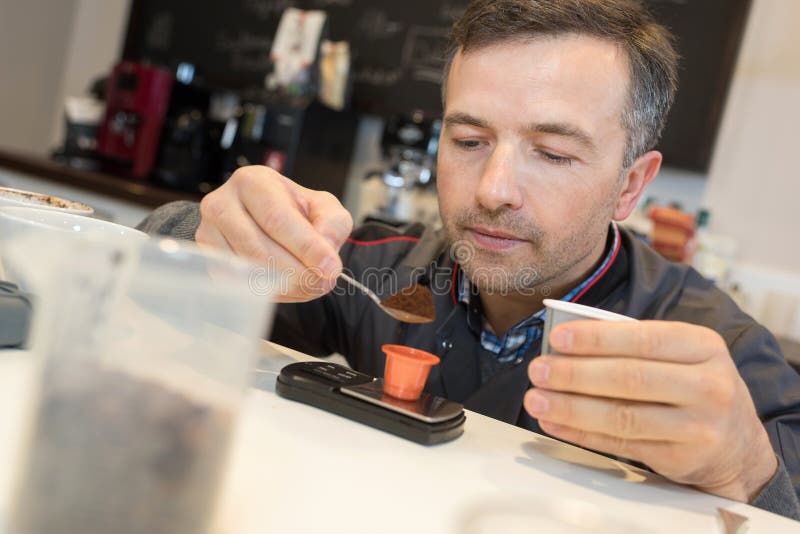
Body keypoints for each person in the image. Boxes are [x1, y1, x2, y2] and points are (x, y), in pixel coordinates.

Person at [139, 0, 800, 518]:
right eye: (469, 138)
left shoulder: (714, 346)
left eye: (554, 153)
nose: (493, 190)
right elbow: (144, 283)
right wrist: (203, 231)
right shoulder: (379, 273)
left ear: (631, 184)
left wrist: (746, 469)